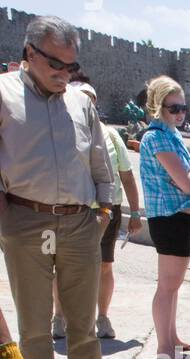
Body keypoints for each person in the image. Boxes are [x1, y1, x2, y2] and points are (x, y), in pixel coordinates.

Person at [0, 15, 119, 359]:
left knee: (83, 321)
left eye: (71, 66)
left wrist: (103, 212)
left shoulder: (80, 102)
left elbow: (100, 163)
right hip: (25, 222)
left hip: (79, 224)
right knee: (34, 323)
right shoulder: (3, 95)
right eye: (56, 65)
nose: (65, 74)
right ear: (30, 53)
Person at [49, 77, 144, 342]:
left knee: (104, 266)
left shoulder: (111, 134)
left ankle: (102, 317)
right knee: (63, 266)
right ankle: (59, 317)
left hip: (107, 209)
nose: (87, 104)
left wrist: (135, 213)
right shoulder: (60, 130)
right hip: (71, 209)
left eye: (91, 99)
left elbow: (126, 176)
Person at [138, 75, 190, 359]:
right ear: (157, 107)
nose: (180, 113)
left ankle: (171, 338)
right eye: (173, 108)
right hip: (169, 218)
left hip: (178, 219)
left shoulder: (171, 135)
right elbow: (188, 182)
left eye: (183, 108)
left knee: (172, 284)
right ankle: (164, 347)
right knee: (167, 285)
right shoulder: (156, 137)